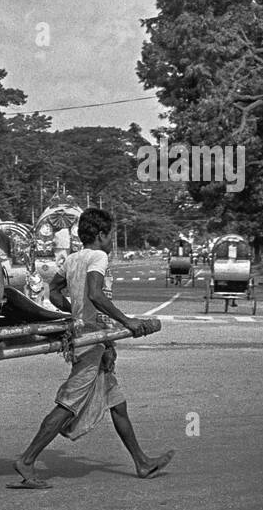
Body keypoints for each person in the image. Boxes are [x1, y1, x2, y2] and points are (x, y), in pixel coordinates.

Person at [12, 207, 174, 489]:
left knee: (117, 403)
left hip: (90, 336)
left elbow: (54, 292)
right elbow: (95, 294)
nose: (111, 240)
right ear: (100, 235)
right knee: (68, 404)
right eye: (110, 235)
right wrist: (128, 321)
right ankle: (27, 459)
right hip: (90, 341)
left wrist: (74, 311)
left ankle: (142, 462)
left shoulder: (72, 258)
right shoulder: (98, 256)